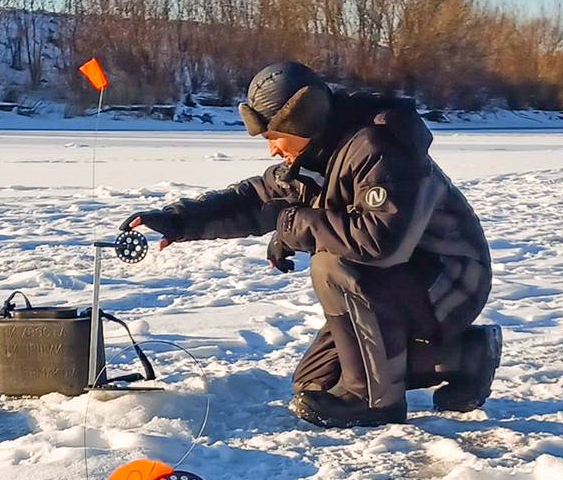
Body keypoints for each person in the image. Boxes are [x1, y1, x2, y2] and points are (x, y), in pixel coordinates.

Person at [123, 61, 500, 428]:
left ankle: (374, 401)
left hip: (451, 279)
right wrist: (178, 220)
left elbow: (380, 242)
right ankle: (463, 356)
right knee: (314, 384)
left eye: (273, 137)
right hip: (400, 282)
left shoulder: (378, 147)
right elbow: (257, 199)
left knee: (332, 265)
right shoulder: (317, 154)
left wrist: (294, 226)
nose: (271, 150)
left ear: (300, 119)